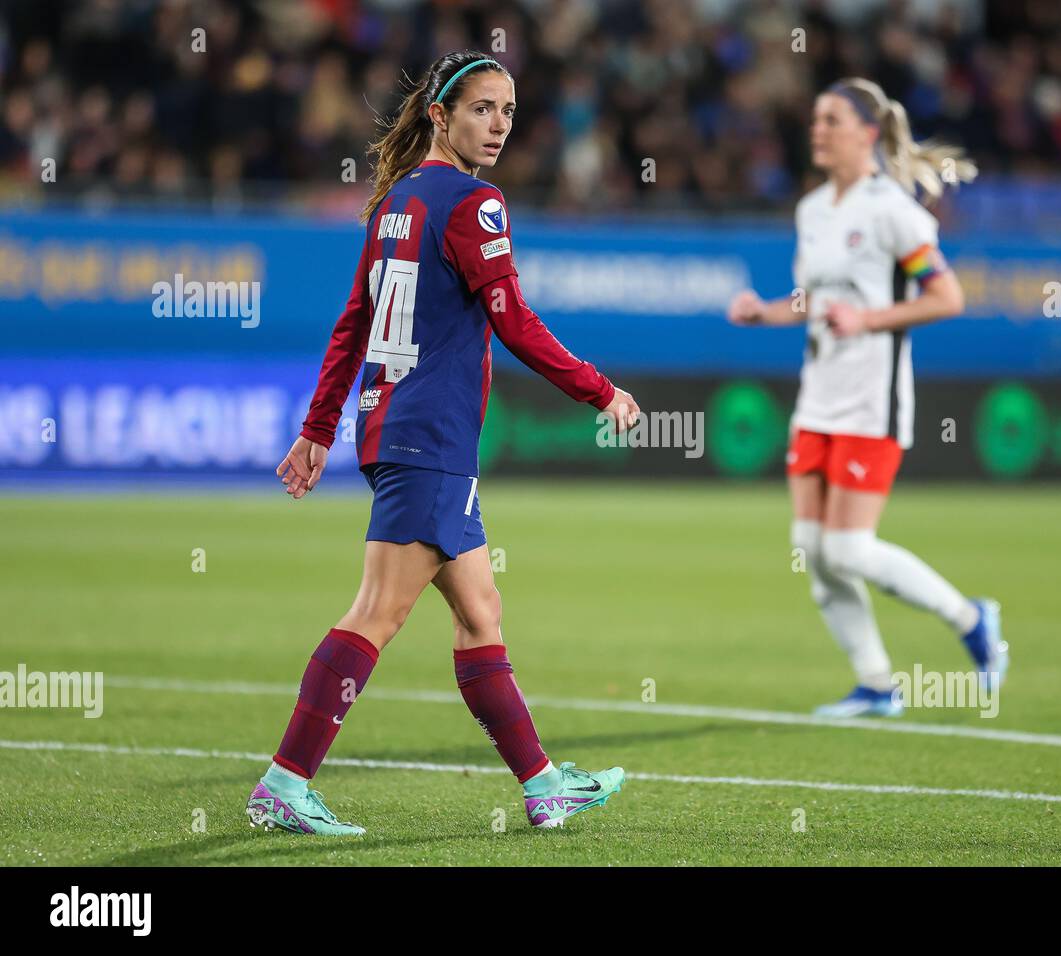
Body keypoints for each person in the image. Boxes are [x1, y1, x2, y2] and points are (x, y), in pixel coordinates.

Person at [246, 51, 640, 833]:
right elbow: (513, 320)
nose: (498, 127)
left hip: (401, 428)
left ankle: (542, 784)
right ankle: (284, 783)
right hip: (430, 434)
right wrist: (600, 388)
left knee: (480, 612)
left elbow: (354, 322)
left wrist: (321, 427)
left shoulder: (397, 203)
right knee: (377, 612)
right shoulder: (474, 204)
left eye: (508, 113)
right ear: (440, 115)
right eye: (483, 109)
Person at [727, 78, 1007, 718]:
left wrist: (870, 319)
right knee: (816, 554)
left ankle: (971, 617)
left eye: (831, 120)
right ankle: (878, 683)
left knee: (849, 548)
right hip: (817, 398)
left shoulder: (892, 210)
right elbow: (812, 302)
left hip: (870, 402)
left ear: (868, 133)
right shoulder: (814, 209)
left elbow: (947, 297)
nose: (817, 130)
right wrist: (763, 313)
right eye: (815, 119)